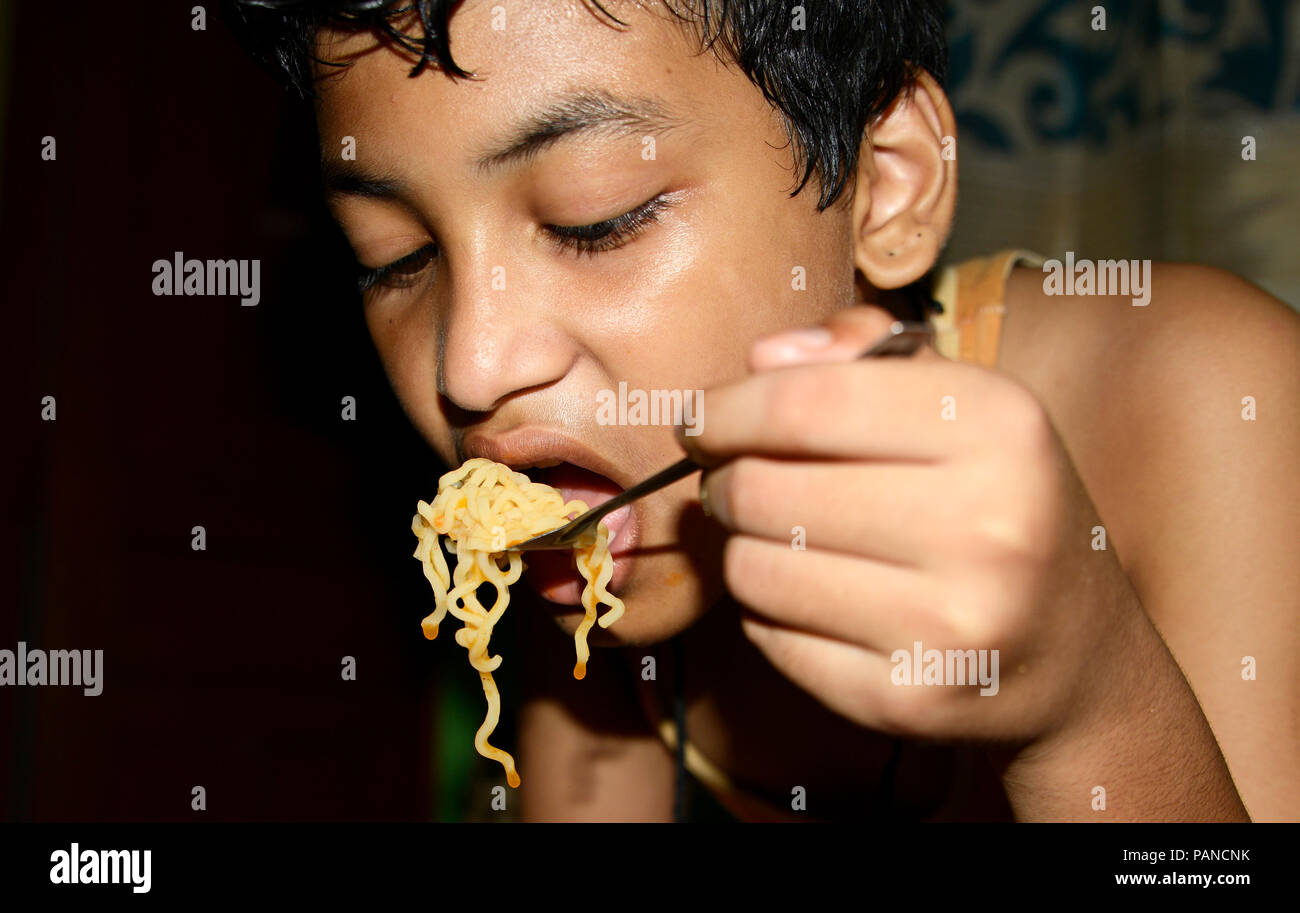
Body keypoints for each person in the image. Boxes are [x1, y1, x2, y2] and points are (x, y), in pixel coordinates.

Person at [224, 0, 1299, 821]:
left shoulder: (1209, 392)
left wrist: (1090, 705)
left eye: (596, 218)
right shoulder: (592, 531)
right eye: (396, 259)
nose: (472, 364)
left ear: (884, 186)